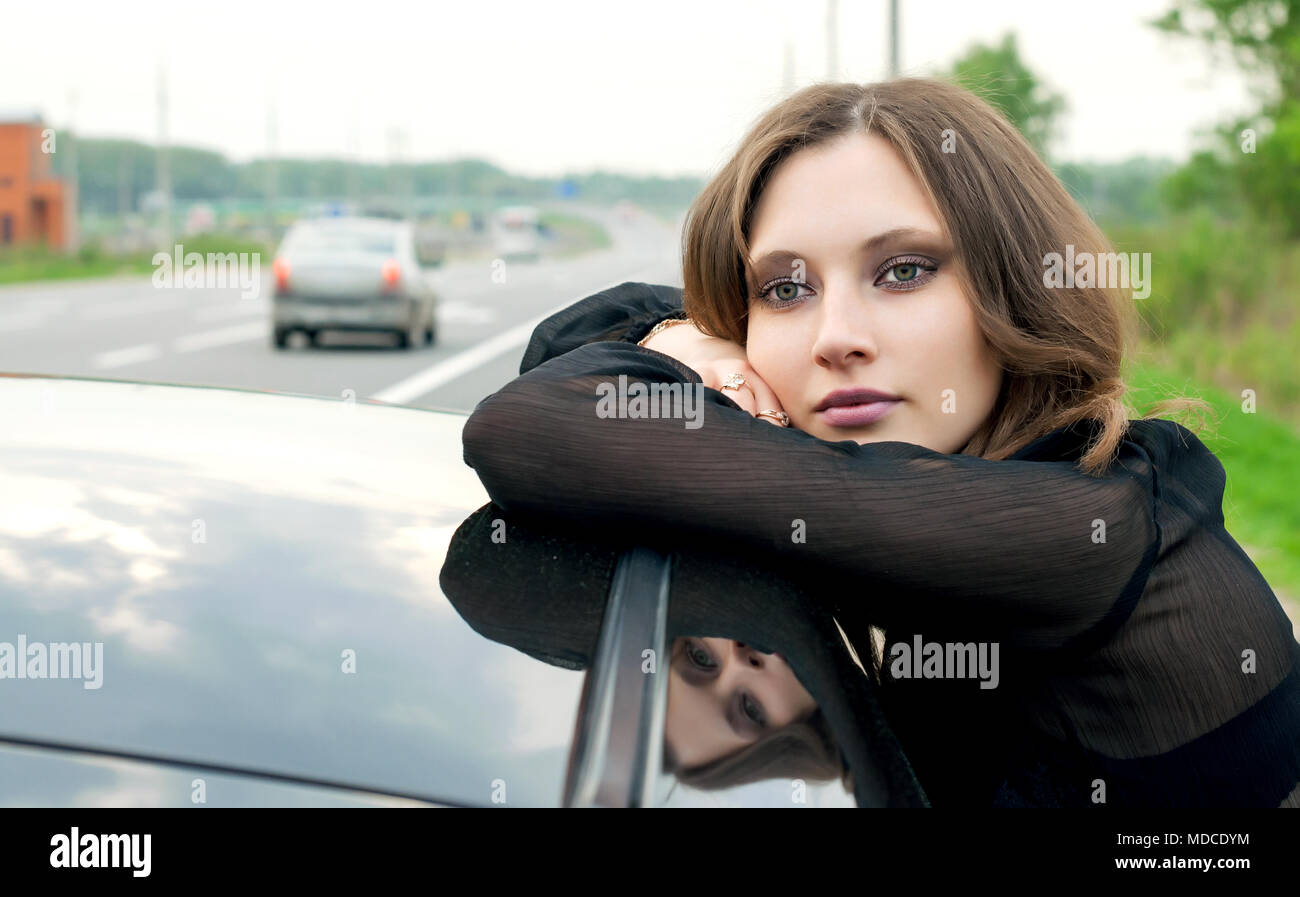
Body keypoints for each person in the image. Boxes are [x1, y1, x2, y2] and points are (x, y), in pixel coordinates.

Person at [460, 78, 1300, 807]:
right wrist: (689, 332)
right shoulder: (939, 490)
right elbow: (554, 374)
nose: (836, 337)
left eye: (903, 270)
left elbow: (524, 428)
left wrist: (676, 337)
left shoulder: (1088, 525)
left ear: (1011, 282)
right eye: (785, 288)